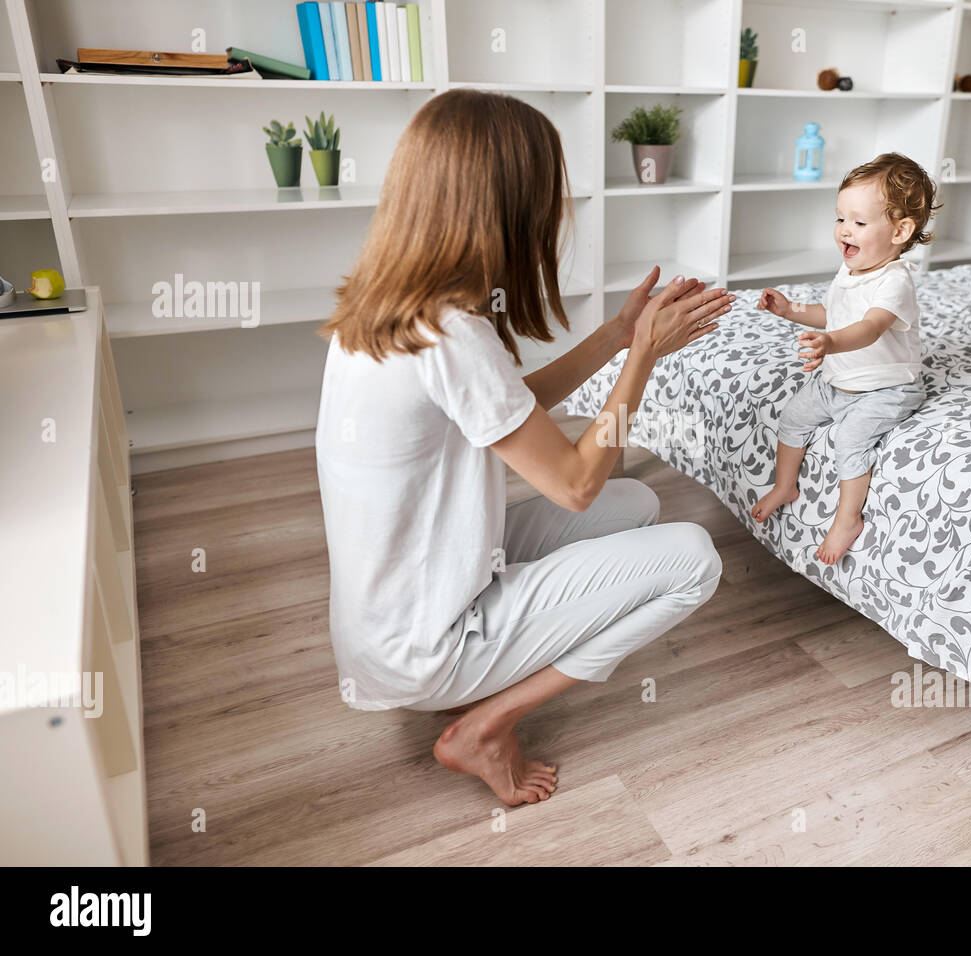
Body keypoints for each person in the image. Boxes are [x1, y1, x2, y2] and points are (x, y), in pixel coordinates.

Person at [315, 89, 734, 805]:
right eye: (546, 192)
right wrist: (645, 360)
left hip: (389, 620)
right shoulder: (453, 334)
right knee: (693, 559)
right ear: (504, 204)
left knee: (638, 500)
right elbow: (574, 484)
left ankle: (475, 679)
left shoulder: (387, 312)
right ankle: (484, 723)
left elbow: (508, 406)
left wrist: (617, 337)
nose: (554, 210)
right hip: (428, 643)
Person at [751, 153, 937, 564]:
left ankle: (847, 519)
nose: (844, 231)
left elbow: (869, 327)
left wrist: (829, 343)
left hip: (885, 388)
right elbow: (831, 314)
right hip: (837, 380)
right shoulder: (850, 270)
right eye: (840, 219)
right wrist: (791, 309)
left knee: (850, 440)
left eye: (858, 222)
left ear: (900, 231)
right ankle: (785, 486)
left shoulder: (894, 281)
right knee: (793, 416)